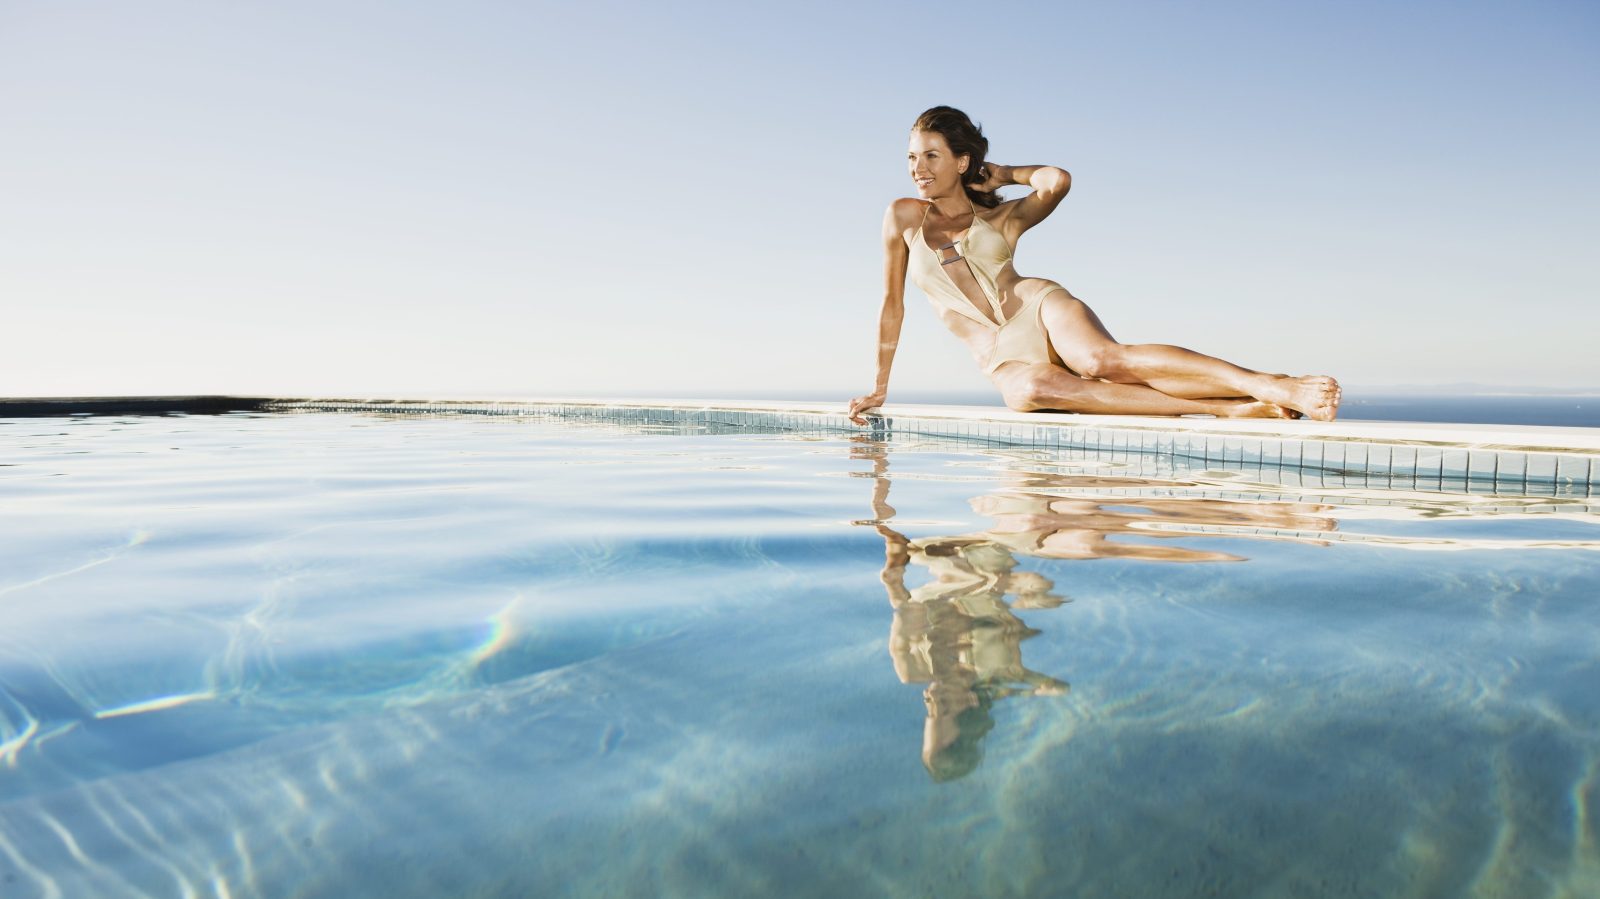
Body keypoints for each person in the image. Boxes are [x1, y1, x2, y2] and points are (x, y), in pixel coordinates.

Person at [847, 106, 1341, 426]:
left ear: (961, 162)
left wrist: (1005, 173)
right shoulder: (904, 216)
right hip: (1000, 351)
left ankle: (1270, 385)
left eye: (931, 155)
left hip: (1036, 307)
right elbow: (892, 304)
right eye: (912, 157)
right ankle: (1232, 407)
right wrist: (880, 385)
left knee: (1101, 362)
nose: (918, 168)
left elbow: (1056, 180)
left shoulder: (1001, 218)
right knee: (1031, 390)